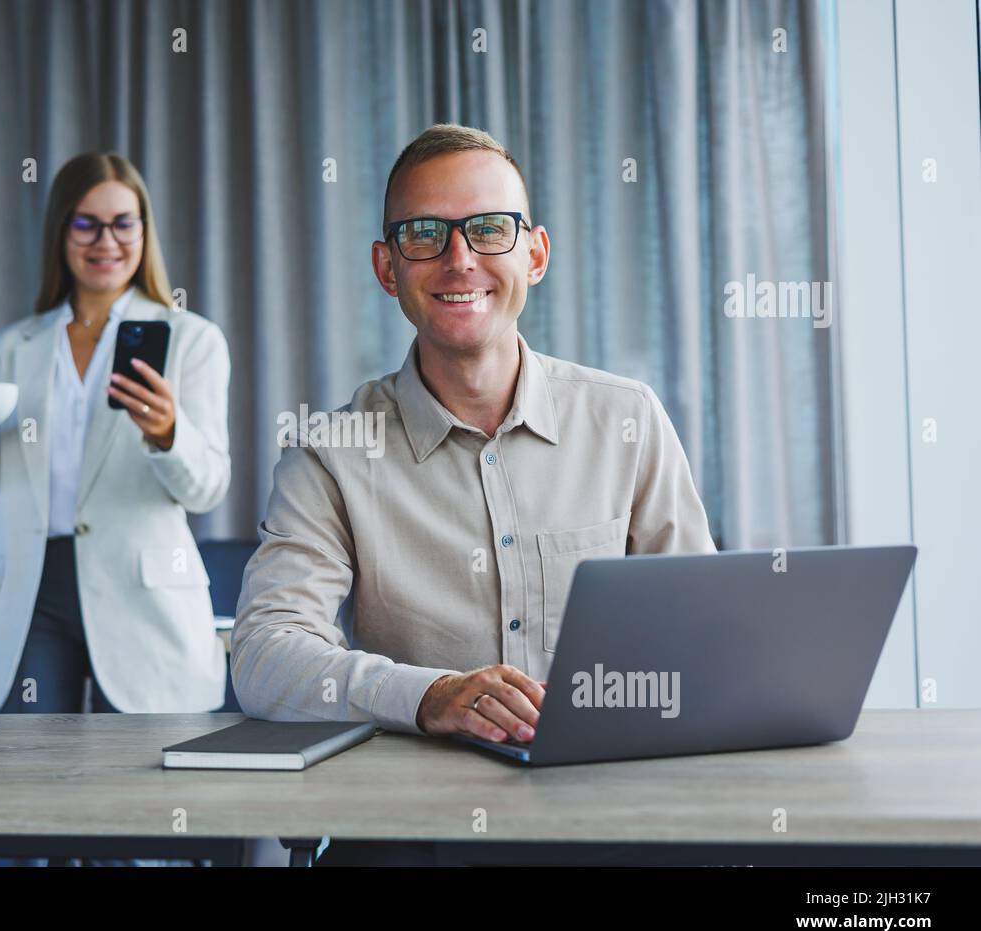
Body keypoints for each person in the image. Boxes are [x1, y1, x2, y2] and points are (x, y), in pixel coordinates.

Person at [229, 124, 716, 865]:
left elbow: (703, 634)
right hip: (417, 831)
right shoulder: (327, 452)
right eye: (424, 234)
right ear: (387, 268)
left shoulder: (627, 419)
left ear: (535, 254)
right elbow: (265, 655)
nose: (460, 258)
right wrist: (430, 697)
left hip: (613, 814)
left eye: (489, 230)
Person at [0, 152, 231, 721]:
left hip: (142, 593)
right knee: (27, 770)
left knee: (141, 778)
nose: (106, 241)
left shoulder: (191, 340)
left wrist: (168, 434)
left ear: (144, 231)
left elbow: (208, 487)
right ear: (61, 231)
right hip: (33, 591)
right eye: (86, 223)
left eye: (124, 223)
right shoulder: (15, 345)